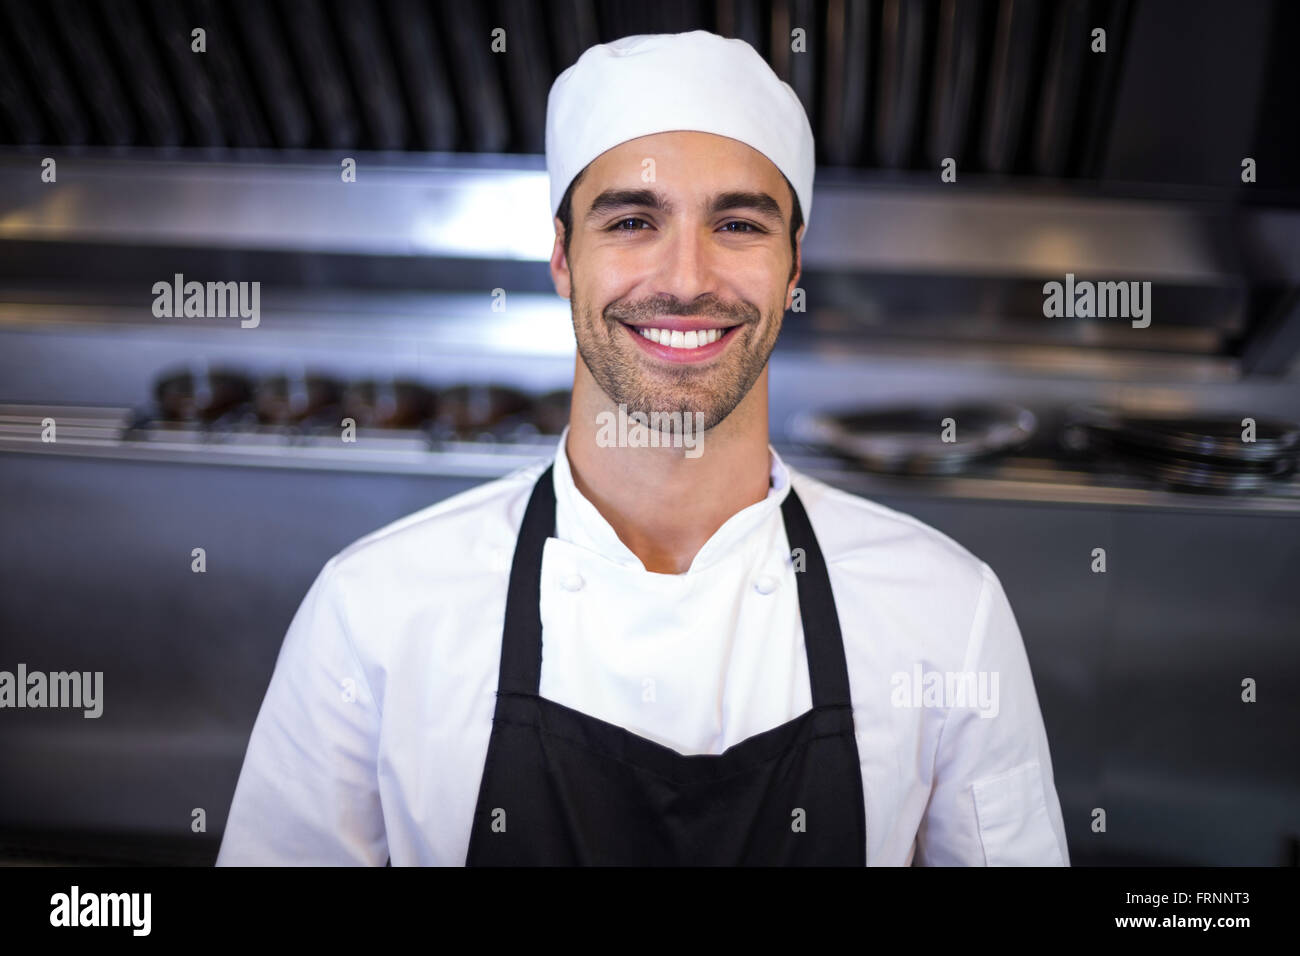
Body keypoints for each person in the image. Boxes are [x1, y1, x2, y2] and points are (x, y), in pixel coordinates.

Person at [216, 30, 1068, 866]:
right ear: (561, 255)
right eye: (631, 219)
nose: (687, 278)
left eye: (738, 225)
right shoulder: (374, 612)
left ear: (794, 265)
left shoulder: (946, 613)